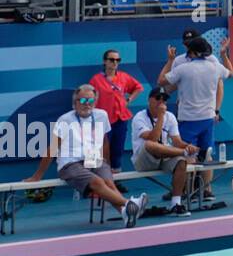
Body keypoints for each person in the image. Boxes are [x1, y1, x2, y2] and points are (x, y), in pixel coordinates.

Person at [25, 86, 148, 227]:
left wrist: (106, 162)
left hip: (93, 158)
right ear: (75, 102)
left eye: (90, 100)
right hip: (70, 162)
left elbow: (104, 141)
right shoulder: (65, 119)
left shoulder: (102, 115)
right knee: (98, 182)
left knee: (108, 182)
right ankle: (130, 204)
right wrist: (37, 175)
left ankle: (125, 212)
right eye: (82, 100)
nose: (86, 103)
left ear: (95, 102)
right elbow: (52, 148)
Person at [157, 36, 224, 200]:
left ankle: (204, 190)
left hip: (200, 116)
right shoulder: (182, 62)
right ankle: (187, 190)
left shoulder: (209, 62)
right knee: (191, 153)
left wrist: (216, 110)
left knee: (203, 153)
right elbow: (170, 86)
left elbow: (219, 85)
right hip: (191, 115)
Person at [131, 89, 199, 217]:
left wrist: (189, 147)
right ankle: (182, 153)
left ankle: (176, 203)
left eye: (164, 99)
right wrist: (161, 116)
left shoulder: (171, 116)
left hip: (164, 157)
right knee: (150, 144)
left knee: (181, 162)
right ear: (149, 100)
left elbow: (177, 141)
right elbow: (153, 138)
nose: (161, 102)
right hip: (144, 161)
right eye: (157, 98)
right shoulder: (139, 117)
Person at [90, 47, 144, 178]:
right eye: (112, 60)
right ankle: (99, 180)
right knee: (101, 150)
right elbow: (91, 99)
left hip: (120, 119)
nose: (115, 62)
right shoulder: (96, 79)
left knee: (118, 150)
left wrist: (129, 99)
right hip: (103, 121)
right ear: (105, 61)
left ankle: (115, 181)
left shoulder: (123, 77)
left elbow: (138, 87)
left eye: (117, 60)